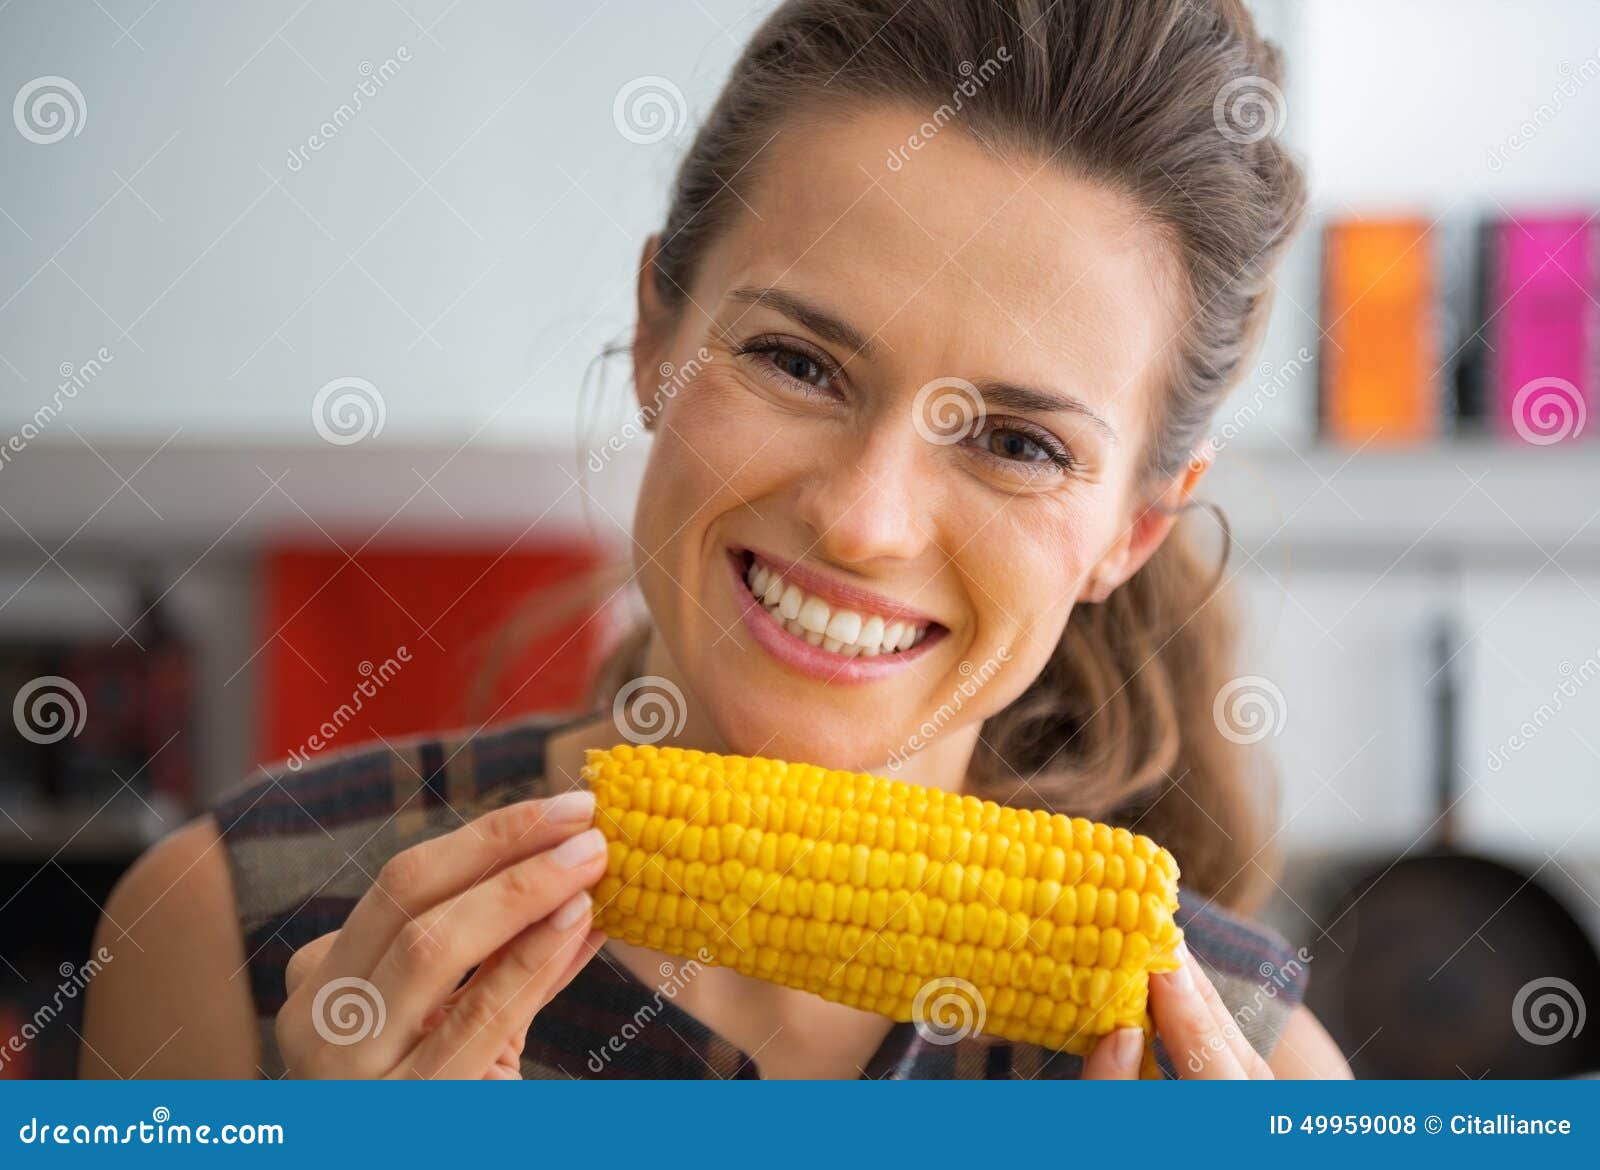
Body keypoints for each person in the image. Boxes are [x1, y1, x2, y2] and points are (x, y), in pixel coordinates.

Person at [83, 0, 1350, 1079]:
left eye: (1017, 443)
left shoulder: (1256, 1072)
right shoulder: (219, 931)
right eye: (795, 361)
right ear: (655, 337)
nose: (863, 519)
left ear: (1129, 532)